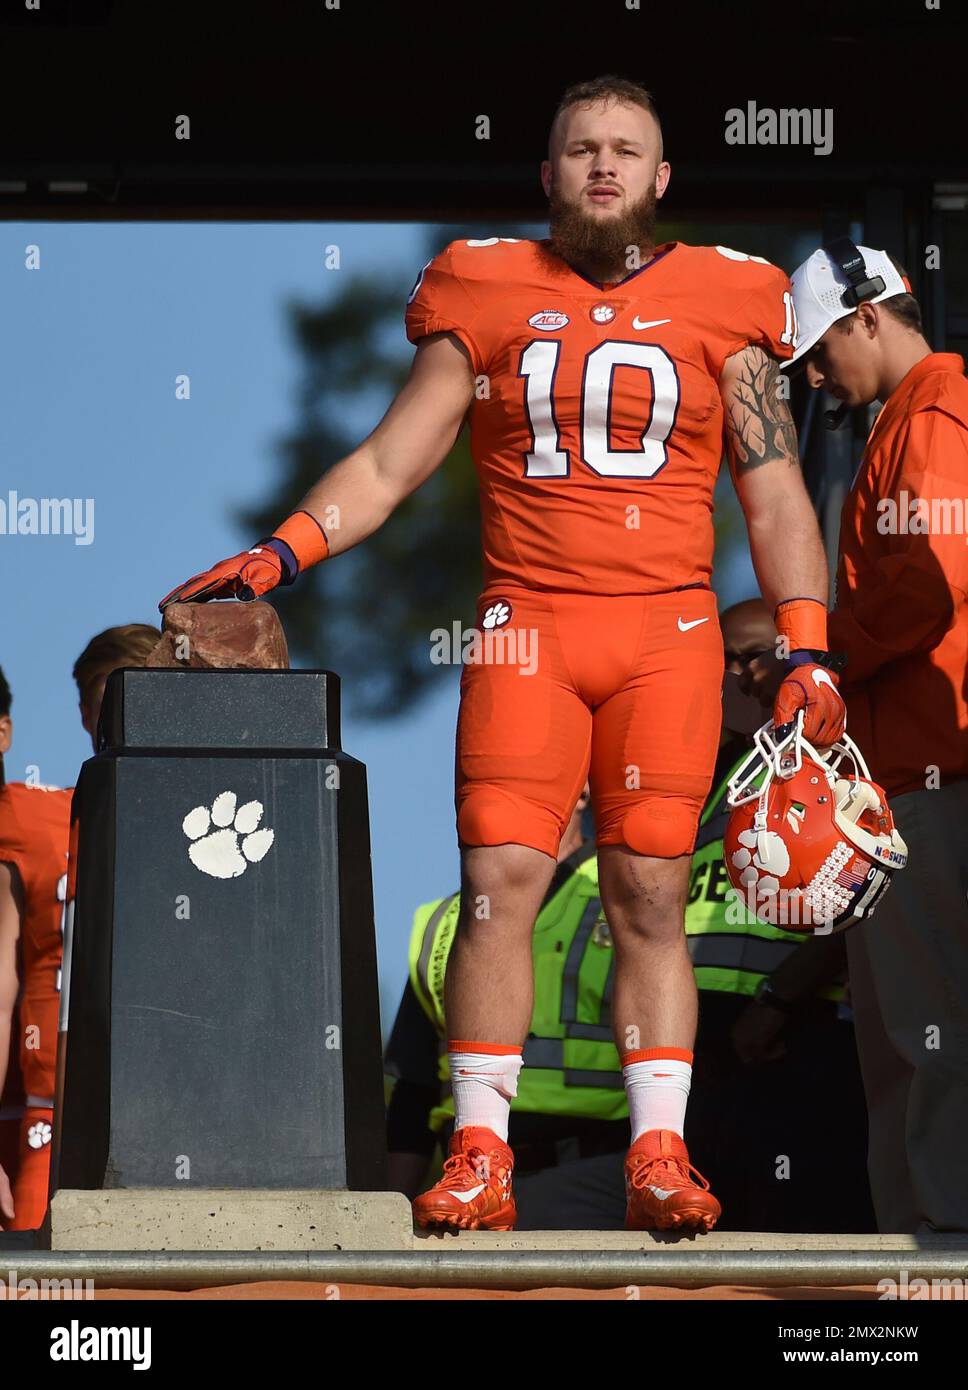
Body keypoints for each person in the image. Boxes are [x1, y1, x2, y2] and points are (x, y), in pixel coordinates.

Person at [158, 74, 846, 1233]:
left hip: (666, 632)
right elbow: (389, 464)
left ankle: (657, 1153)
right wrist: (278, 554)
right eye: (580, 147)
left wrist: (806, 647)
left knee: (648, 895)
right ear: (546, 173)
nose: (602, 165)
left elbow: (773, 498)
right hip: (527, 625)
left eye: (626, 148)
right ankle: (478, 1147)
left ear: (661, 176)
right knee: (497, 889)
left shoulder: (731, 298)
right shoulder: (481, 287)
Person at [760, 243, 968, 1234]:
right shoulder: (907, 413)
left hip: (934, 773)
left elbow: (932, 580)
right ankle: (915, 1254)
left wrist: (816, 648)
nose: (808, 374)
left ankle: (942, 1258)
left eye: (813, 349)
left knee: (933, 1039)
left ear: (866, 315)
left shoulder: (933, 404)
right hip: (901, 780)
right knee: (896, 1048)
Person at [684, 599, 876, 1232]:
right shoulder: (721, 772)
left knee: (802, 1222)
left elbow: (859, 900)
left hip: (798, 1030)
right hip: (715, 1043)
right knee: (720, 1231)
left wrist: (777, 1002)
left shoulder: (831, 762)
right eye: (725, 660)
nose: (739, 675)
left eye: (753, 655)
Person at [385, 787, 631, 1231]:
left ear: (582, 792)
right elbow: (414, 1092)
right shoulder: (444, 921)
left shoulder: (628, 897)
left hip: (596, 1181)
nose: (517, 782)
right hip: (464, 1189)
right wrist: (388, 1222)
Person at [0, 623, 160, 1231]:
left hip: (183, 1116)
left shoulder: (220, 820)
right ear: (83, 713)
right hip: (54, 1119)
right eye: (107, 703)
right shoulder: (32, 817)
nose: (120, 720)